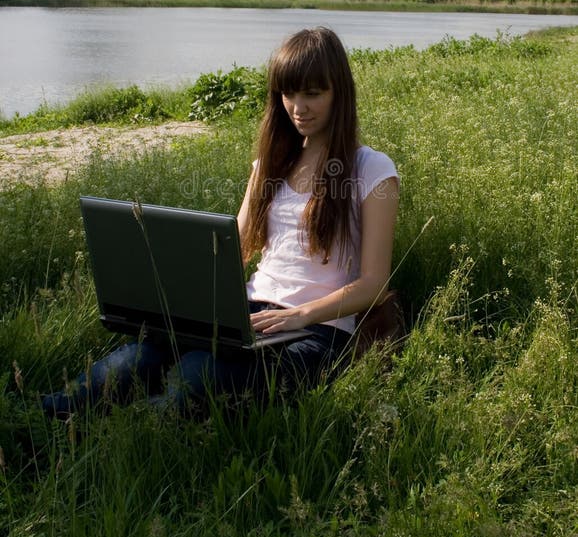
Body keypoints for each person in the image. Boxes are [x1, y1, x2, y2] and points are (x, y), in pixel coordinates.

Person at [42, 27, 399, 418]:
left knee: (196, 375)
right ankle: (47, 417)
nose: (298, 107)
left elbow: (374, 283)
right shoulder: (270, 165)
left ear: (339, 93)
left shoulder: (372, 169)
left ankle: (128, 433)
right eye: (288, 93)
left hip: (319, 330)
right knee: (138, 357)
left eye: (313, 93)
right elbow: (237, 247)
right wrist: (183, 296)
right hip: (248, 312)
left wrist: (300, 314)